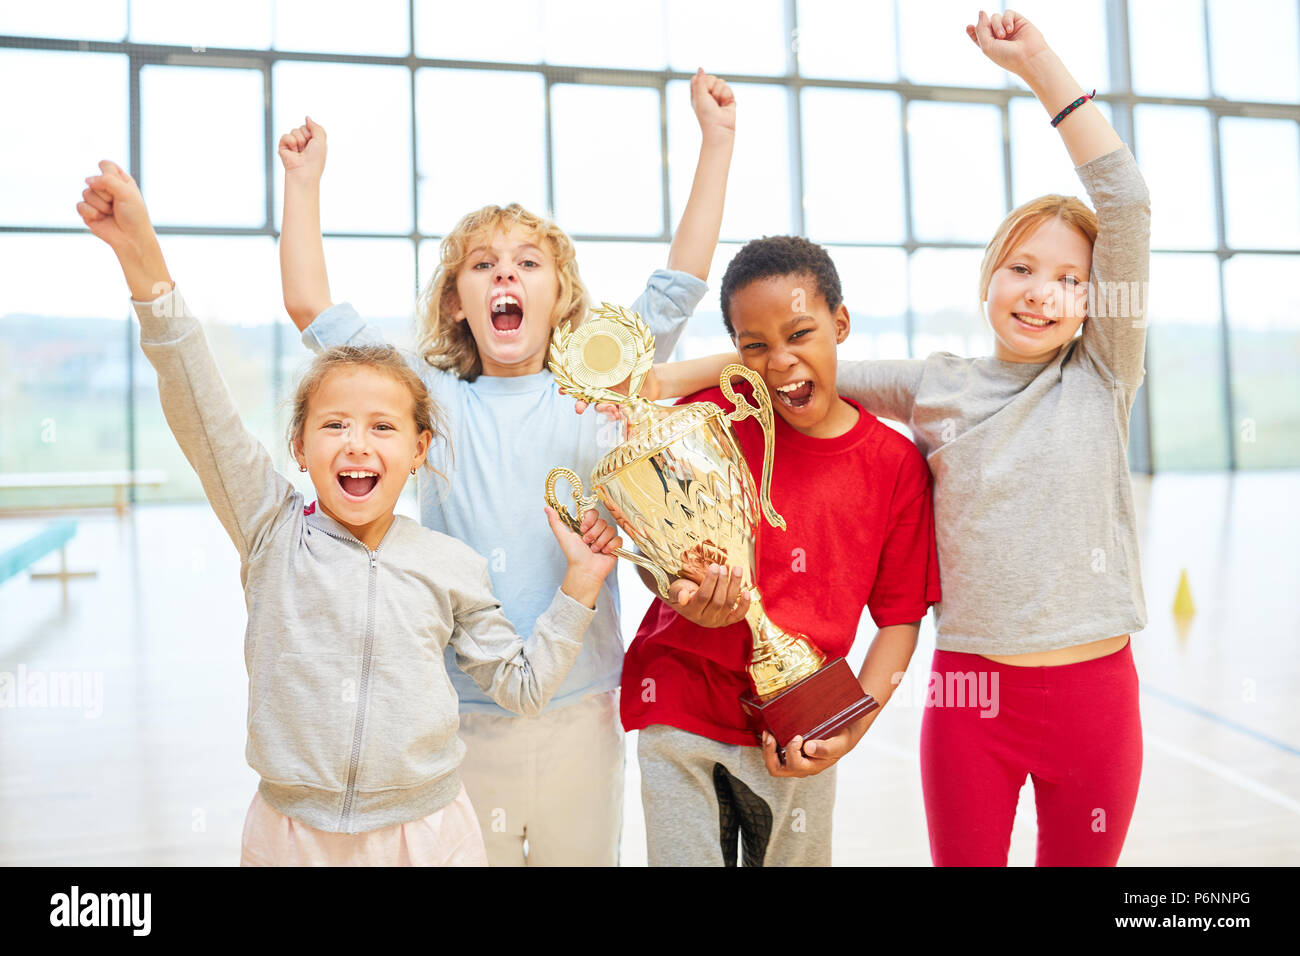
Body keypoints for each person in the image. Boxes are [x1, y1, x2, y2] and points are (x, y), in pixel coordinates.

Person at [76, 159, 621, 866]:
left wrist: (580, 583)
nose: (358, 444)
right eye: (334, 425)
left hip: (429, 835)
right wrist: (142, 260)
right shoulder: (273, 532)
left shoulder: (451, 567)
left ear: (424, 448)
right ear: (297, 446)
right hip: (293, 836)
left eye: (383, 428)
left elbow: (522, 687)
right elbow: (197, 398)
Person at [275, 70, 736, 865]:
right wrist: (304, 184)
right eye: (483, 266)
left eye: (528, 264)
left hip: (582, 705)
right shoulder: (431, 405)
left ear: (562, 298)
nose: (506, 277)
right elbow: (314, 311)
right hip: (458, 711)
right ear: (457, 300)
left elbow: (678, 287)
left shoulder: (600, 389)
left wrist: (717, 141)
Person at [832, 11, 1151, 866]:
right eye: (1021, 267)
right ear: (988, 278)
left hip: (1096, 696)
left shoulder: (1101, 374)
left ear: (1095, 301)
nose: (1041, 292)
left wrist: (1039, 66)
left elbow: (1126, 200)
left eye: (1068, 279)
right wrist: (672, 378)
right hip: (973, 694)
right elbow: (807, 372)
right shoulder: (935, 384)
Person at [619, 235, 942, 866]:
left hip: (801, 721)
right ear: (735, 352)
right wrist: (681, 594)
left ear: (839, 324)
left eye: (800, 334)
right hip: (683, 708)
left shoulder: (895, 464)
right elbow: (658, 557)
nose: (781, 362)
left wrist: (850, 730)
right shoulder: (709, 418)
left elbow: (900, 621)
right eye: (755, 346)